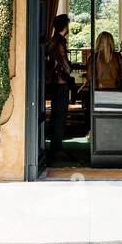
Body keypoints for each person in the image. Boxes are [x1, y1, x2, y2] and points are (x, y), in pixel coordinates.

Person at [46, 13, 73, 159]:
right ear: (64, 26)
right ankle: (57, 148)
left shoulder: (52, 40)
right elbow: (64, 62)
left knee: (56, 114)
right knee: (60, 115)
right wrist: (70, 68)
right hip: (61, 82)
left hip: (53, 83)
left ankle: (54, 146)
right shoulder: (59, 42)